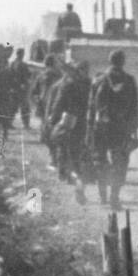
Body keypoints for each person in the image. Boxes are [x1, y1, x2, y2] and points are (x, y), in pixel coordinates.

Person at [88, 50, 138, 208]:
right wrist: (133, 130)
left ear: (110, 61)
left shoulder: (98, 80)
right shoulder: (130, 81)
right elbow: (135, 109)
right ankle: (114, 197)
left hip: (101, 128)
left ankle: (102, 194)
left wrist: (89, 129)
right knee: (120, 161)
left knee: (100, 159)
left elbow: (91, 108)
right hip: (121, 128)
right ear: (123, 62)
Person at [45, 62, 91, 204]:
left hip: (69, 122)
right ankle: (78, 181)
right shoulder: (89, 83)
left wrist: (52, 119)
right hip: (85, 124)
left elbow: (58, 104)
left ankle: (71, 177)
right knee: (80, 155)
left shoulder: (67, 85)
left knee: (66, 149)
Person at [11, 48, 33, 129]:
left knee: (13, 107)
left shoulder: (13, 63)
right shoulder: (23, 64)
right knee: (25, 107)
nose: (23, 55)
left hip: (14, 88)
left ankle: (9, 123)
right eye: (22, 54)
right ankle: (26, 124)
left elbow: (11, 76)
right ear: (20, 54)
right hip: (22, 89)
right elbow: (27, 75)